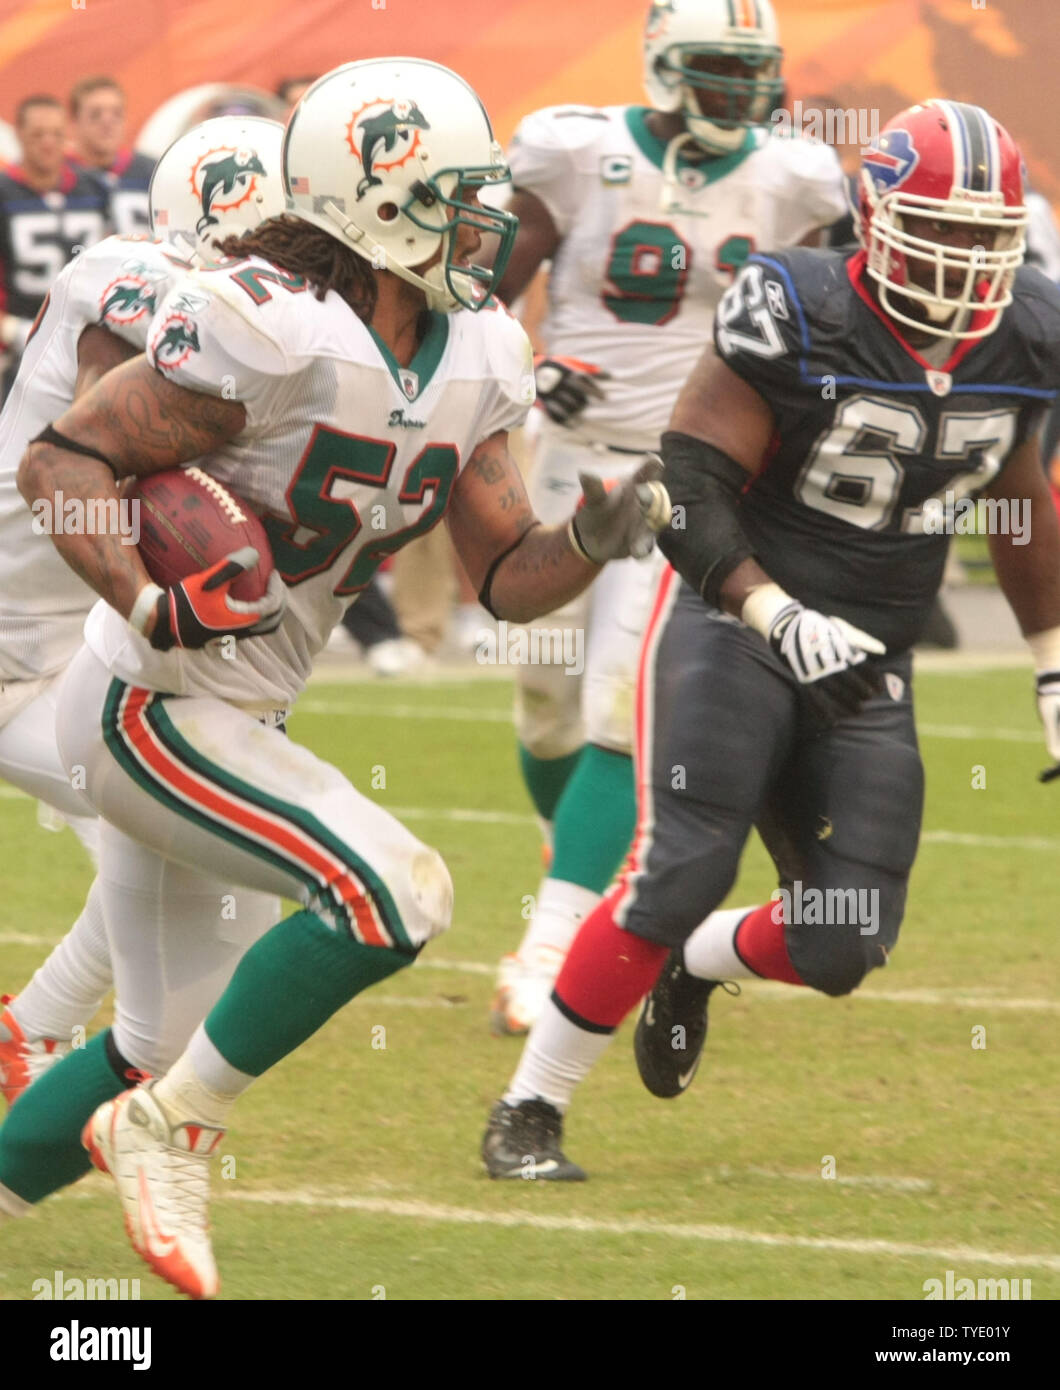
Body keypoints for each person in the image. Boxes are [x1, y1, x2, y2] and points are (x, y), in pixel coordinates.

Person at [12, 58, 666, 1298]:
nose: (486, 223)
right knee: (397, 891)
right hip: (148, 702)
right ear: (376, 203)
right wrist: (150, 598)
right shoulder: (272, 325)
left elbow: (505, 578)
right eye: (459, 198)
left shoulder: (475, 345)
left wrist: (599, 533)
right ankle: (175, 1131)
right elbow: (63, 460)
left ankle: (92, 1134)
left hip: (240, 711)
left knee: (146, 1043)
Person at [481, 99, 1060, 1178]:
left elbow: (1018, 494)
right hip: (730, 615)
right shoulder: (799, 302)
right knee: (677, 867)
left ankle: (694, 967)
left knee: (844, 941)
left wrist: (1051, 662)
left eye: (986, 240)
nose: (965, 265)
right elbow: (691, 487)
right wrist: (772, 611)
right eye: (941, 234)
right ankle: (530, 1108)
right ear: (877, 222)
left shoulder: (1028, 327)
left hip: (869, 654)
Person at [489, 0, 847, 1035]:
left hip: (693, 474)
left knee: (616, 703)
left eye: (752, 72)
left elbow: (825, 315)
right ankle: (588, 889)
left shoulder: (792, 179)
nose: (740, 93)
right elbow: (480, 295)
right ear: (662, 67)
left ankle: (550, 944)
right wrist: (530, 367)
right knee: (546, 706)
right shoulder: (577, 153)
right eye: (717, 70)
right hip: (568, 467)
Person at [0, 117, 287, 1175]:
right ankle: (58, 1039)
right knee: (201, 830)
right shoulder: (132, 281)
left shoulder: (253, 315)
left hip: (78, 644)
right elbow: (110, 458)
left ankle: (36, 1029)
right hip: (14, 652)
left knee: (187, 840)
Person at [0, 96, 107, 400]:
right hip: (19, 343)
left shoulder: (95, 189)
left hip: (87, 338)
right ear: (18, 135)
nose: (48, 143)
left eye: (56, 134)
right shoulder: (4, 192)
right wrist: (15, 332)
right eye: (37, 135)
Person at [68, 77, 155, 236]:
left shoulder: (152, 173)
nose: (107, 122)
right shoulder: (58, 175)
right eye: (95, 114)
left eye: (116, 113)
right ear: (74, 122)